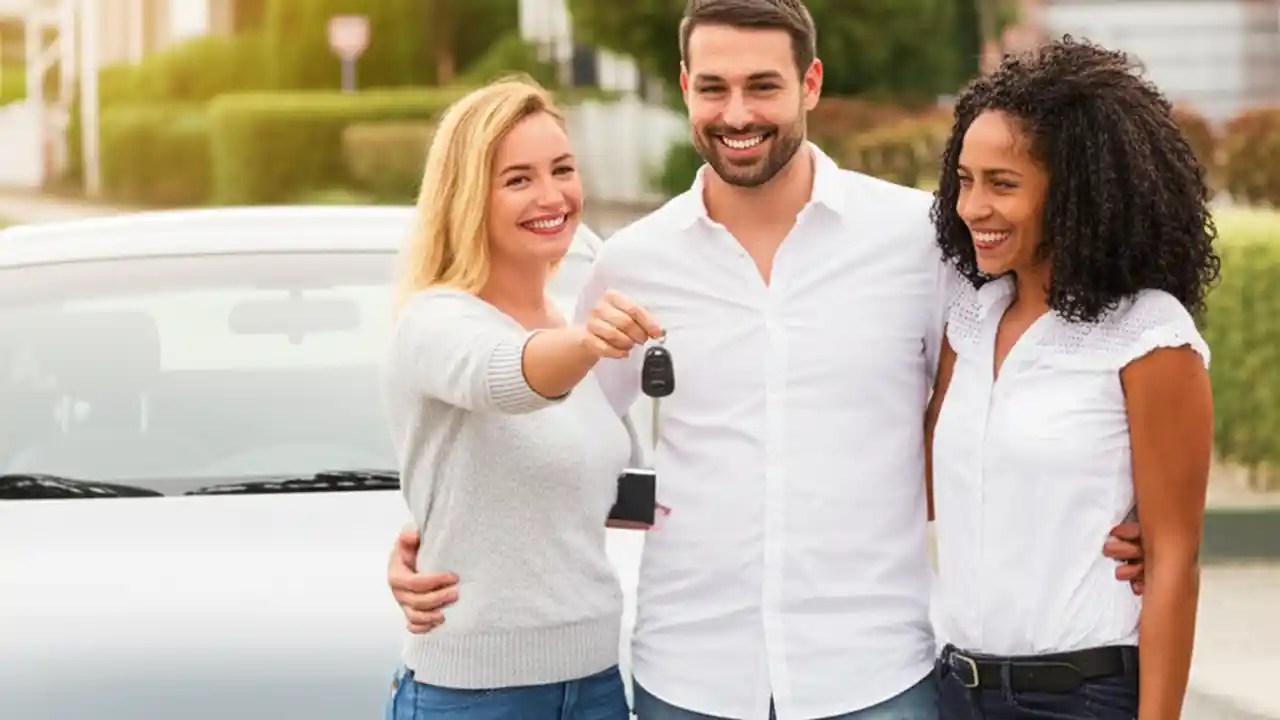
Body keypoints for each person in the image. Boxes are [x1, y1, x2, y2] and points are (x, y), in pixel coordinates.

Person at [386, 2, 1148, 718]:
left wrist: (1127, 502)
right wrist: (448, 536)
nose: (738, 113)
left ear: (810, 83)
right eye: (713, 87)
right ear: (686, 88)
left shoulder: (918, 242)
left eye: (763, 86)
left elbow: (1034, 370)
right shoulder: (632, 263)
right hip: (688, 679)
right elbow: (568, 436)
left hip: (879, 673)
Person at [925, 37, 1218, 718]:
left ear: (1079, 195)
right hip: (954, 691)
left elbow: (1174, 565)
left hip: (1080, 697)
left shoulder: (1149, 335)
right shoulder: (969, 318)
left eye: (1003, 184)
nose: (972, 208)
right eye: (964, 180)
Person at [380, 75, 663, 720]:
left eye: (562, 169)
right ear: (467, 198)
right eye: (518, 179)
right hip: (473, 697)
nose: (552, 195)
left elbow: (609, 499)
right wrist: (591, 342)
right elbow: (503, 378)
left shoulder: (570, 326)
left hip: (594, 685)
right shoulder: (433, 321)